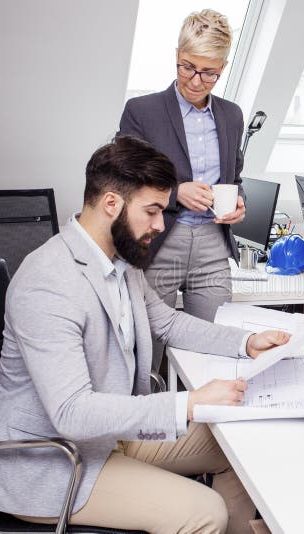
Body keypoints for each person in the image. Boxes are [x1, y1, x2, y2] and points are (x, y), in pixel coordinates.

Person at [0, 136, 290, 534]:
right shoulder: (47, 282)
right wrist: (187, 403)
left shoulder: (121, 259)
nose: (160, 224)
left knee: (241, 446)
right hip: (53, 461)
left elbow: (168, 323)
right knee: (204, 511)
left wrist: (244, 342)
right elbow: (72, 412)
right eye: (153, 211)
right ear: (111, 204)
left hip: (110, 435)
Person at [118, 9, 245, 332]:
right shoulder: (142, 111)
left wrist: (238, 202)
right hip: (157, 240)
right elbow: (123, 181)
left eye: (209, 73)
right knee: (147, 344)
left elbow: (235, 178)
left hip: (213, 246)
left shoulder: (232, 116)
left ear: (223, 68)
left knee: (216, 341)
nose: (196, 80)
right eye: (187, 67)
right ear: (177, 55)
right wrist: (176, 192)